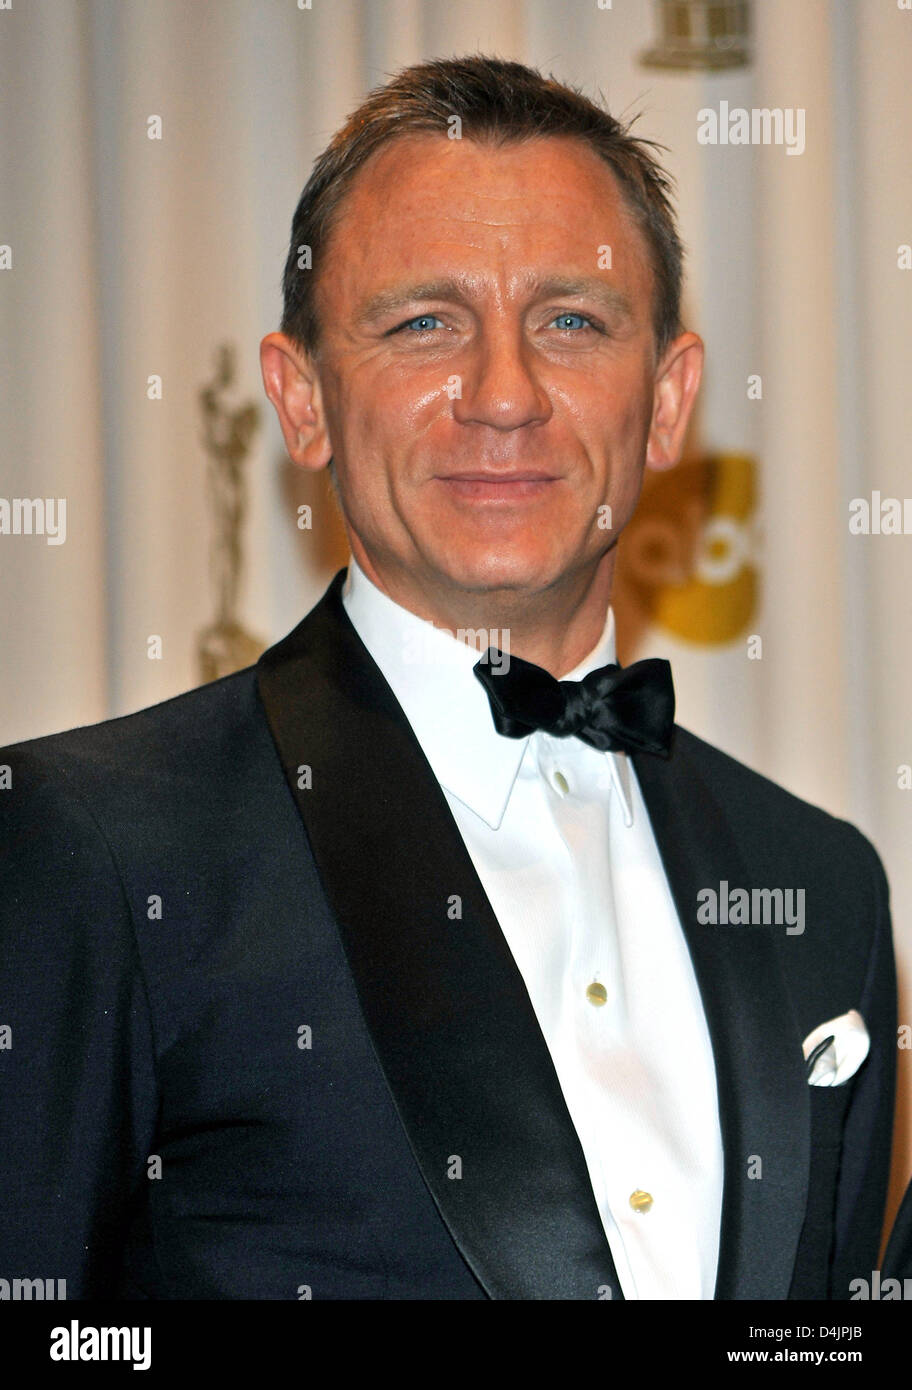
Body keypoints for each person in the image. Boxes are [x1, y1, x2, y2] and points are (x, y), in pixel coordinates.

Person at [0, 55, 896, 1301]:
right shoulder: (95, 842)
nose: (505, 394)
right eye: (424, 321)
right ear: (301, 398)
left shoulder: (822, 884)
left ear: (671, 398)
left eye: (572, 321)